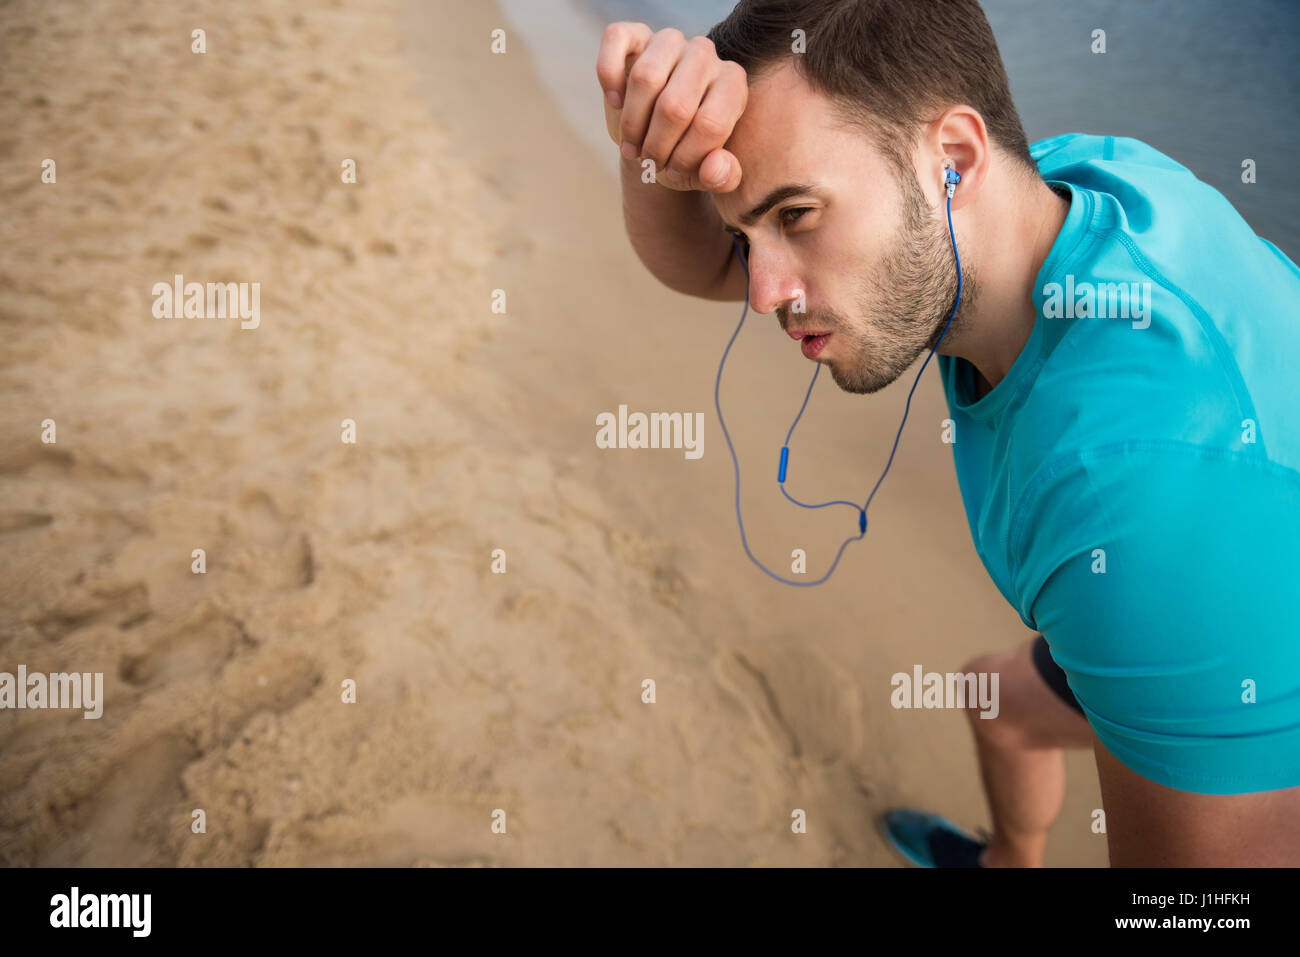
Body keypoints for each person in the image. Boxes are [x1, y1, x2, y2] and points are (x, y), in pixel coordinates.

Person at [595, 0, 1300, 867]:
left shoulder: (1132, 500)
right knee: (996, 704)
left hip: (1224, 620)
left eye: (797, 215)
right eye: (750, 229)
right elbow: (698, 262)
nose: (761, 290)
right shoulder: (1070, 182)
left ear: (955, 159)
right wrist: (650, 141)